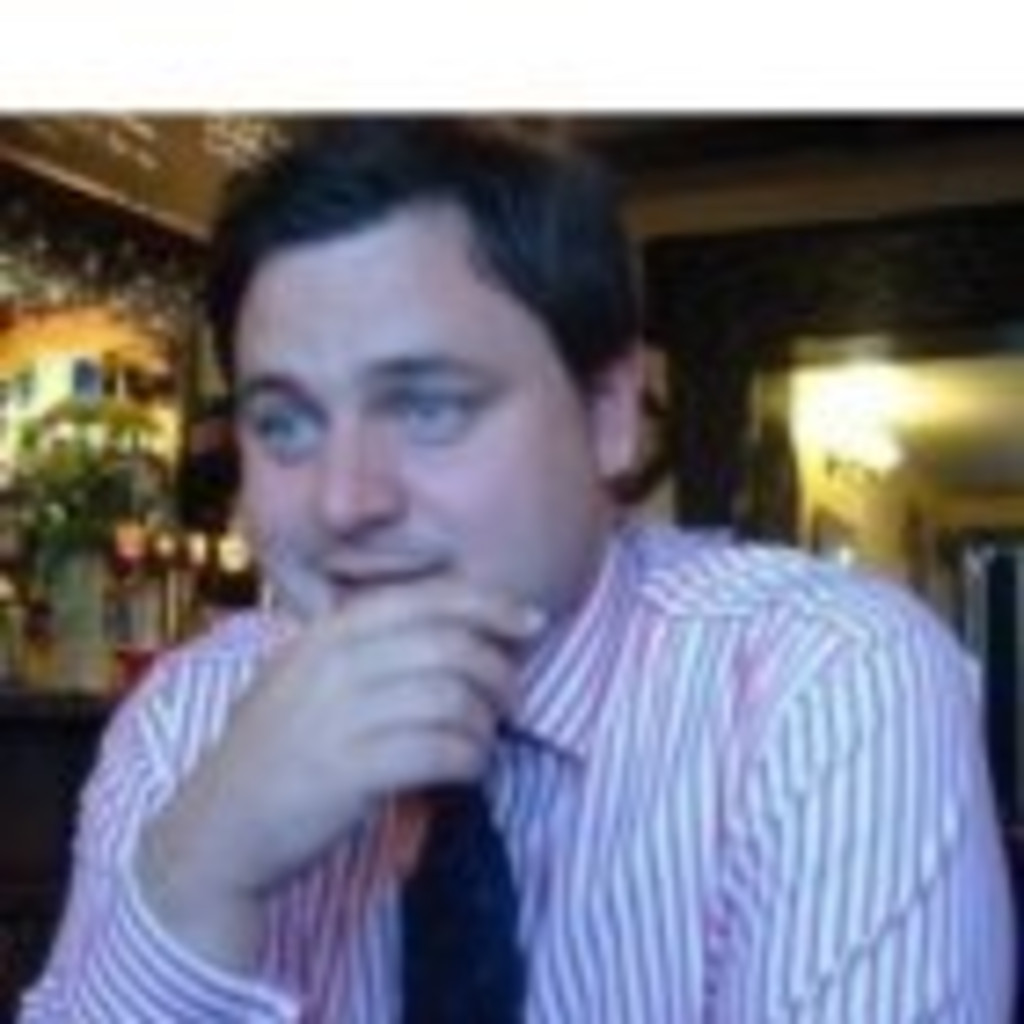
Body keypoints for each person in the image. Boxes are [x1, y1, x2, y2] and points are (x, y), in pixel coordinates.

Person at [20, 119, 1014, 1022]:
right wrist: (200, 868)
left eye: (428, 406)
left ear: (609, 413)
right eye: (284, 423)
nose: (344, 500)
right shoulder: (190, 719)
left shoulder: (819, 682)